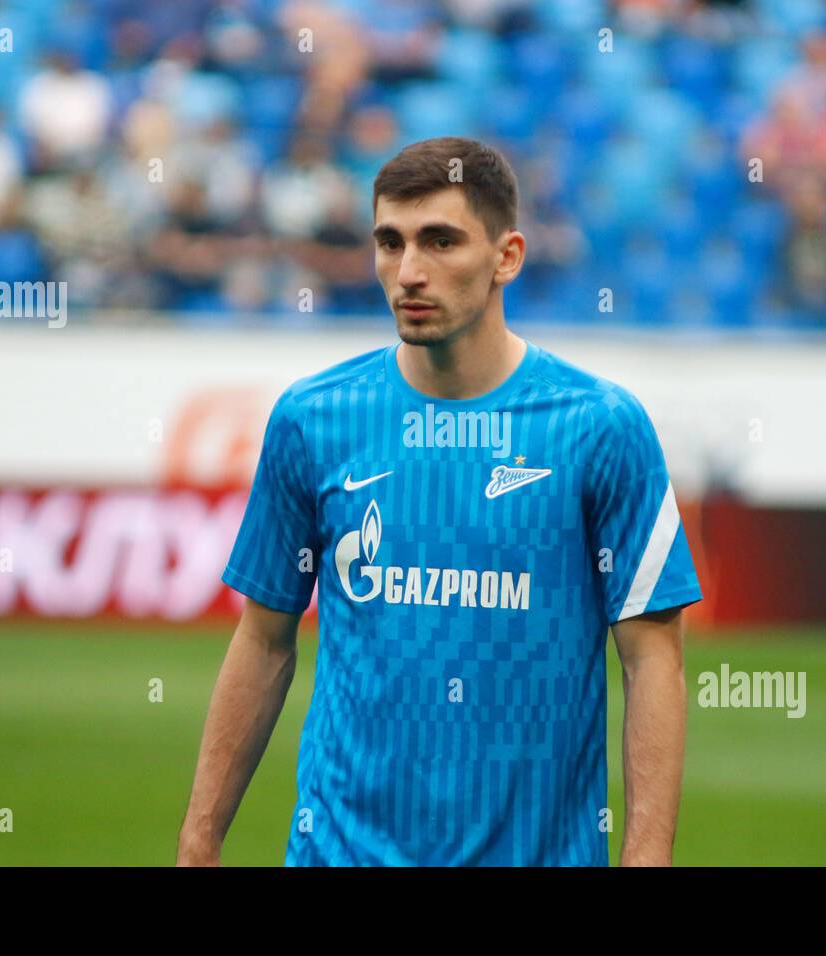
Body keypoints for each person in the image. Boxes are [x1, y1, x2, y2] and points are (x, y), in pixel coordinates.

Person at [178, 137, 702, 866]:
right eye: (389, 243)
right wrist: (199, 839)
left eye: (440, 241)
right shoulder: (313, 418)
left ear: (507, 257)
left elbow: (653, 663)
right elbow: (264, 642)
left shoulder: (601, 427)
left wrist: (646, 858)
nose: (409, 272)